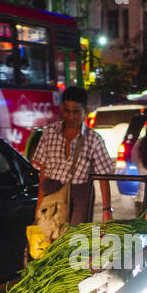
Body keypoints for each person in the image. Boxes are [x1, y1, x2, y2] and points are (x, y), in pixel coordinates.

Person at [32, 85, 114, 227]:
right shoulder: (49, 132)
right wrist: (39, 206)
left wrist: (107, 210)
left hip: (80, 196)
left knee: (75, 240)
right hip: (51, 191)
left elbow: (103, 177)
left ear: (85, 112)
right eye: (66, 110)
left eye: (75, 111)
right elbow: (43, 172)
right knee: (50, 237)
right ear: (61, 109)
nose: (70, 116)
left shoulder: (93, 139)